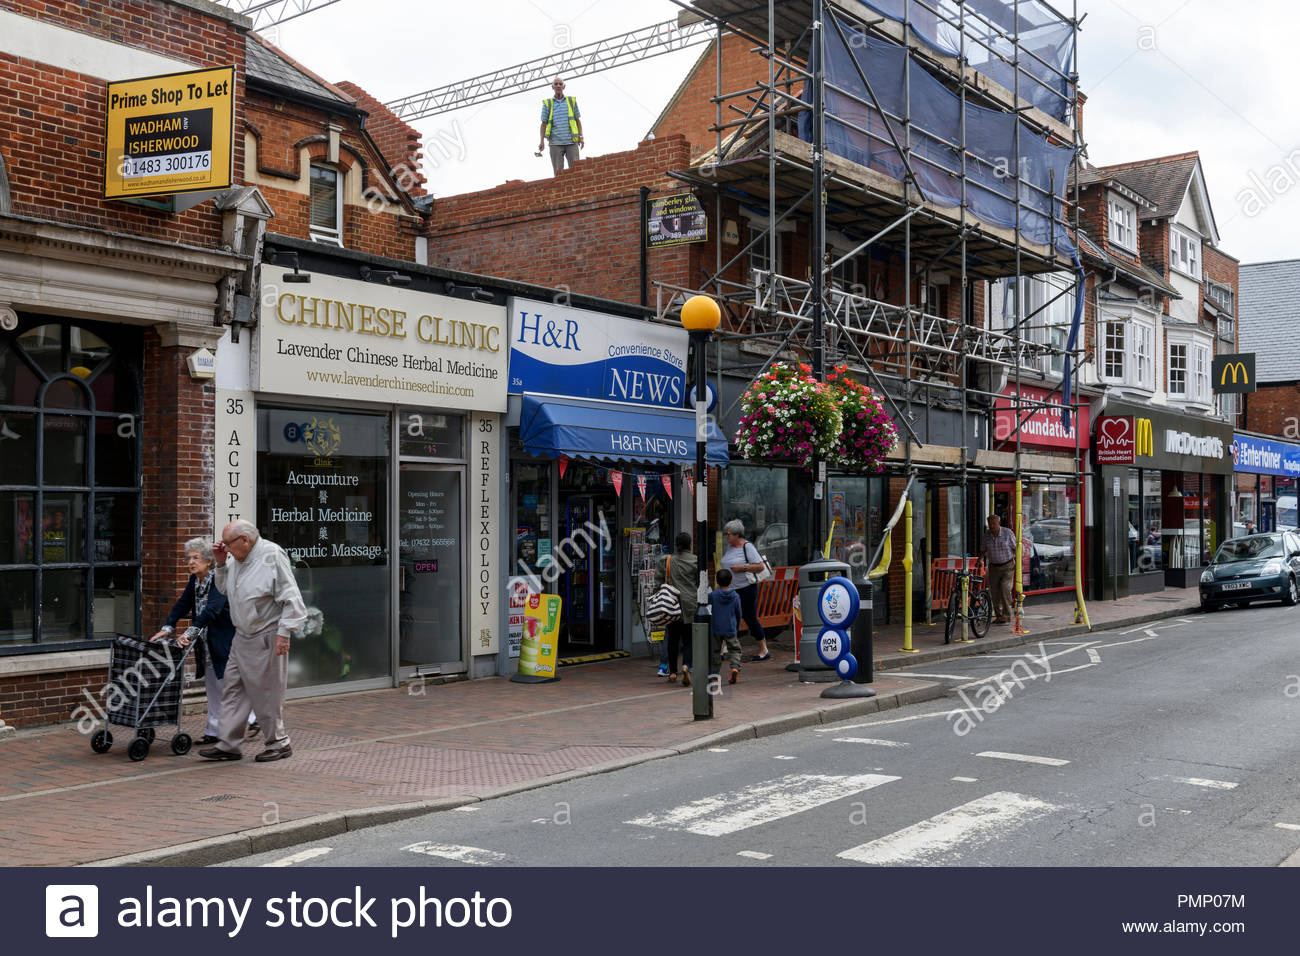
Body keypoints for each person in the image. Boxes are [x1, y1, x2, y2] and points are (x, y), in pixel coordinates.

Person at [198, 520, 306, 763]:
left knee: (267, 693)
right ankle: (228, 745)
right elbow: (224, 589)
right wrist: (221, 563)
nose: (225, 548)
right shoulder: (236, 558)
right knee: (232, 689)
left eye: (228, 544)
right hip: (242, 635)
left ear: (244, 540)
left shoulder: (272, 555)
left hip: (266, 633)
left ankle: (279, 743)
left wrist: (284, 633)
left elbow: (291, 596)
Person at [150, 537, 254, 746]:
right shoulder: (195, 580)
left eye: (196, 558)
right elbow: (182, 604)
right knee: (213, 687)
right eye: (188, 558)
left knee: (227, 685)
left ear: (208, 561)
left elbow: (212, 610)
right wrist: (167, 627)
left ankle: (253, 719)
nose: (191, 562)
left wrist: (189, 633)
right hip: (205, 643)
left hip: (223, 639)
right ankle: (214, 731)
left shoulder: (219, 579)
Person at [721, 519, 771, 661]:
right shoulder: (730, 547)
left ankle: (764, 649)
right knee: (728, 618)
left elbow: (760, 566)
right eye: (726, 534)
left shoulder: (747, 547)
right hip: (731, 589)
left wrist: (742, 568)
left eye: (729, 534)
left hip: (746, 589)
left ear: (737, 534)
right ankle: (723, 649)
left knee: (750, 618)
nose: (726, 536)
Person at [654, 532, 698, 686]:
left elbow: (658, 583)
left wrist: (655, 598)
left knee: (672, 638)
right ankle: (686, 665)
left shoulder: (666, 560)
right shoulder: (696, 561)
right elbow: (700, 583)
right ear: (690, 545)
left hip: (671, 604)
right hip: (690, 604)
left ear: (676, 545)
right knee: (688, 639)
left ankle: (672, 671)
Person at [538, 76, 583, 174]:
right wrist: (541, 141)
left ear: (564, 86)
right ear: (552, 87)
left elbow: (577, 120)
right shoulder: (548, 104)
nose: (558, 86)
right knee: (559, 174)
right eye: (556, 84)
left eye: (560, 84)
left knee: (576, 172)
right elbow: (543, 124)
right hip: (555, 144)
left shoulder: (571, 101)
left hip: (571, 142)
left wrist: (581, 136)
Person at [709, 567, 743, 685]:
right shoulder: (735, 596)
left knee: (715, 651)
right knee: (734, 649)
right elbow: (739, 613)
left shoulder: (713, 595)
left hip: (716, 627)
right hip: (730, 626)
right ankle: (735, 667)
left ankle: (714, 676)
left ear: (717, 581)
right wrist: (736, 626)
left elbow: (706, 605)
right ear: (731, 580)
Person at [981, 513, 1017, 624]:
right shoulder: (987, 535)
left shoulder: (1008, 533)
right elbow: (983, 549)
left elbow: (1016, 548)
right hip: (993, 567)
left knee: (1005, 589)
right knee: (995, 592)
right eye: (990, 524)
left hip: (1008, 565)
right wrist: (979, 560)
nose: (992, 526)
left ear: (999, 523)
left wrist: (1018, 563)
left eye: (994, 523)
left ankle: (1007, 615)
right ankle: (999, 616)